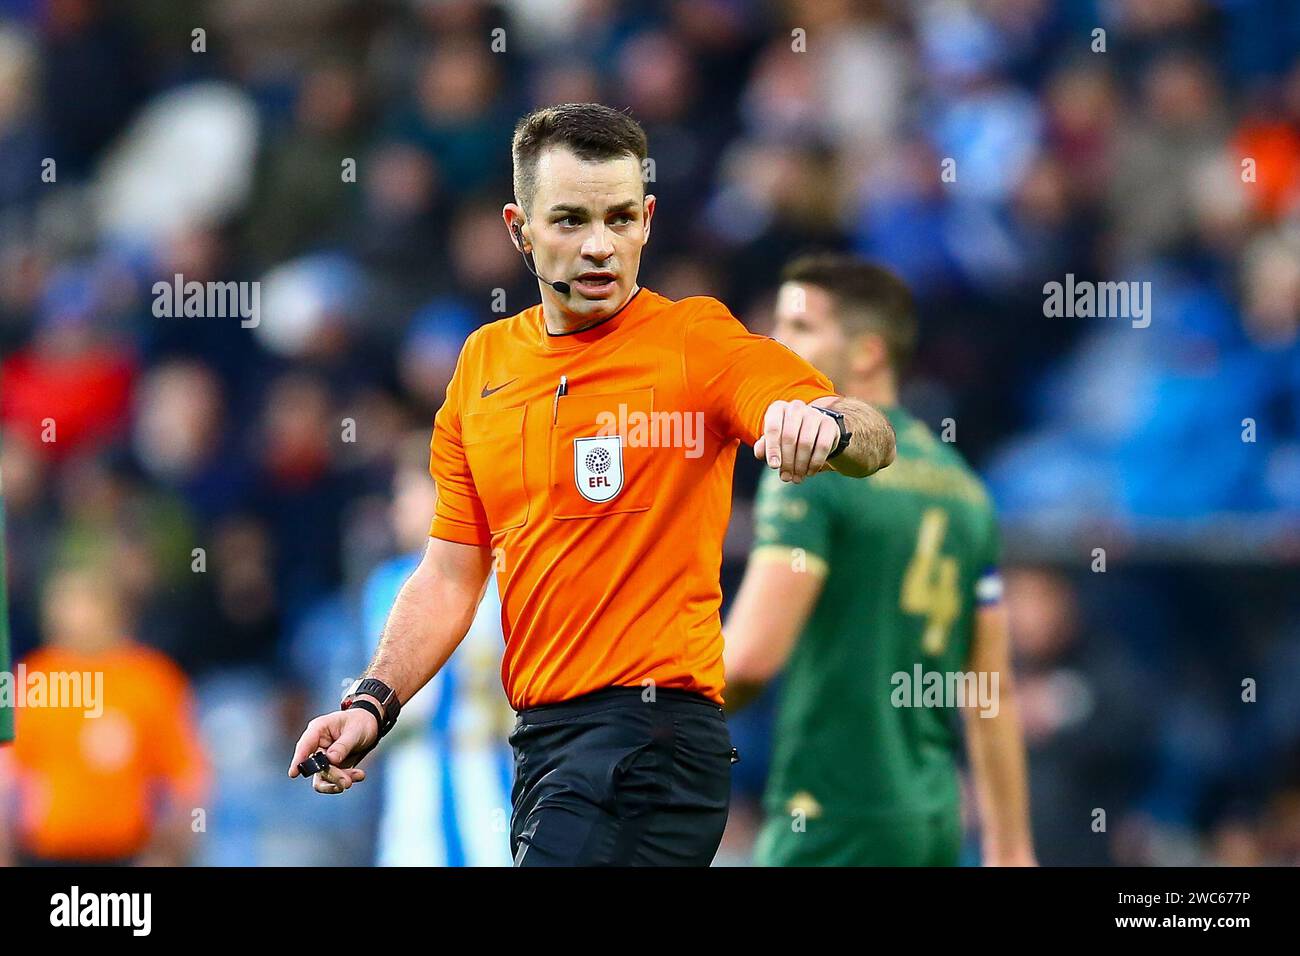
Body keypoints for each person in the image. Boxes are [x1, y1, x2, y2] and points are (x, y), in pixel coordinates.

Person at [289, 103, 896, 867]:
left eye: (619, 219)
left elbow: (869, 435)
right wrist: (372, 703)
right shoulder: (482, 368)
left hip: (651, 740)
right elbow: (448, 575)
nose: (600, 246)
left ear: (646, 219)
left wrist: (829, 428)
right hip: (544, 747)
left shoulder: (693, 342)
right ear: (519, 229)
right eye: (570, 221)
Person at [724, 254, 1035, 866]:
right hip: (932, 820)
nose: (775, 342)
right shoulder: (965, 487)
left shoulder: (810, 460)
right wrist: (1010, 848)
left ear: (867, 353)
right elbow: (990, 690)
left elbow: (748, 662)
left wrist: (634, 695)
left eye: (801, 327)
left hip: (833, 818)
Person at [361, 432, 514, 866]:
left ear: (442, 495)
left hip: (489, 770)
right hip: (417, 778)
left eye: (405, 493)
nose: (396, 509)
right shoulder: (387, 583)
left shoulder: (496, 579)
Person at [0, 564, 207, 866]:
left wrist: (169, 852)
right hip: (44, 856)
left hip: (129, 857)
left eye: (85, 602)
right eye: (63, 603)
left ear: (115, 609)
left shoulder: (152, 680)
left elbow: (188, 780)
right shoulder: (34, 680)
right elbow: (7, 779)